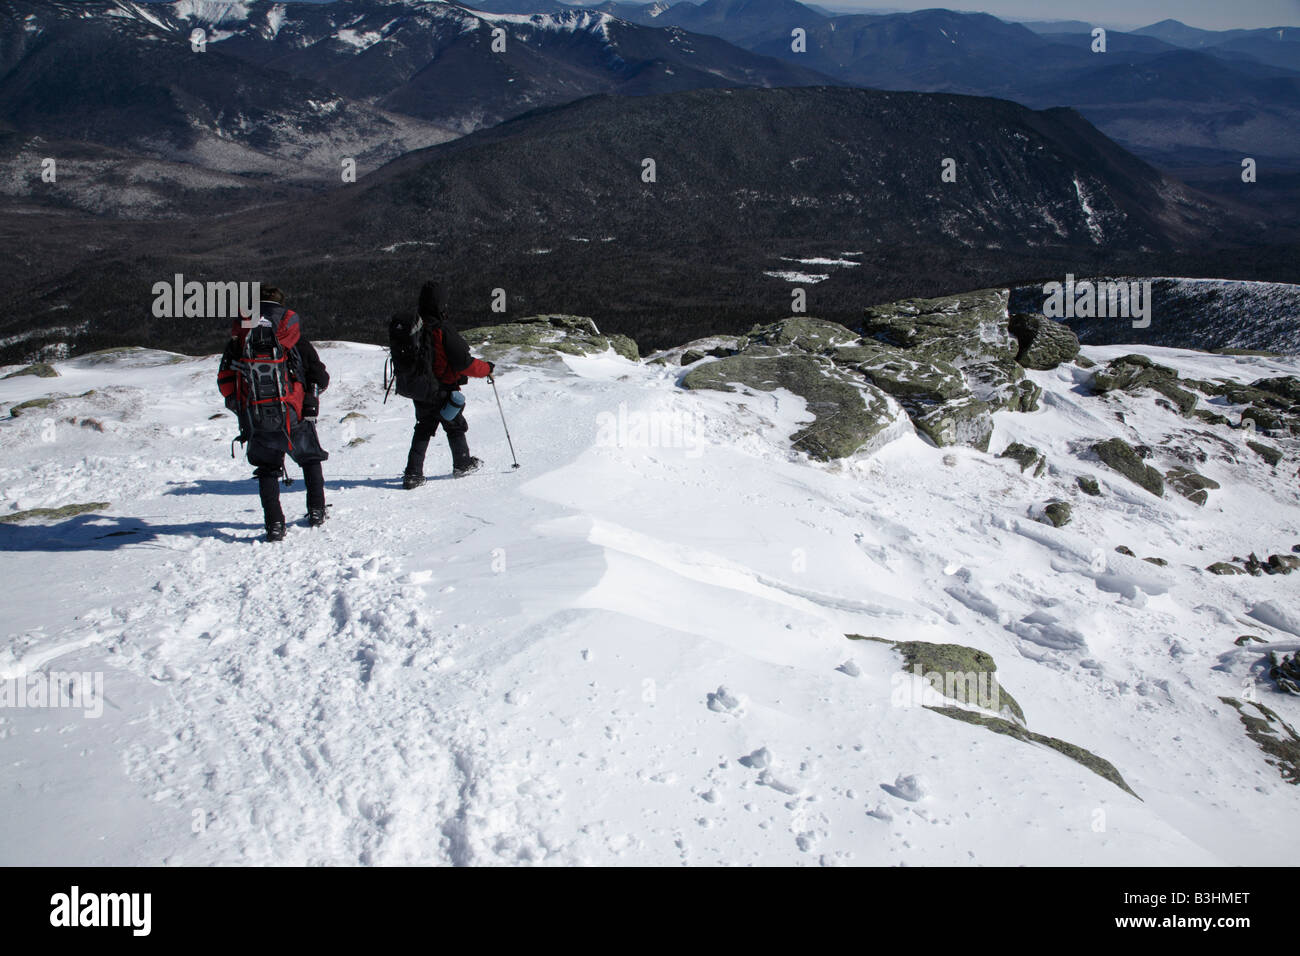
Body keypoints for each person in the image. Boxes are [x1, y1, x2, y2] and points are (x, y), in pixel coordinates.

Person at [218, 286, 331, 541]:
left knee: (267, 469)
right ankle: (316, 511)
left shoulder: (240, 341)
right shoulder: (292, 338)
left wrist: (240, 405)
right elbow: (320, 376)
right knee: (310, 459)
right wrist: (309, 396)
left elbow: (225, 379)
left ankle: (275, 525)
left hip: (256, 415)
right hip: (293, 411)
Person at [399, 280, 495, 489]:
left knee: (423, 428)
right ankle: (462, 463)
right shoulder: (442, 329)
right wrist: (487, 368)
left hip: (420, 388)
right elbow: (464, 363)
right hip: (443, 389)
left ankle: (412, 474)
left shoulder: (415, 326)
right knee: (454, 425)